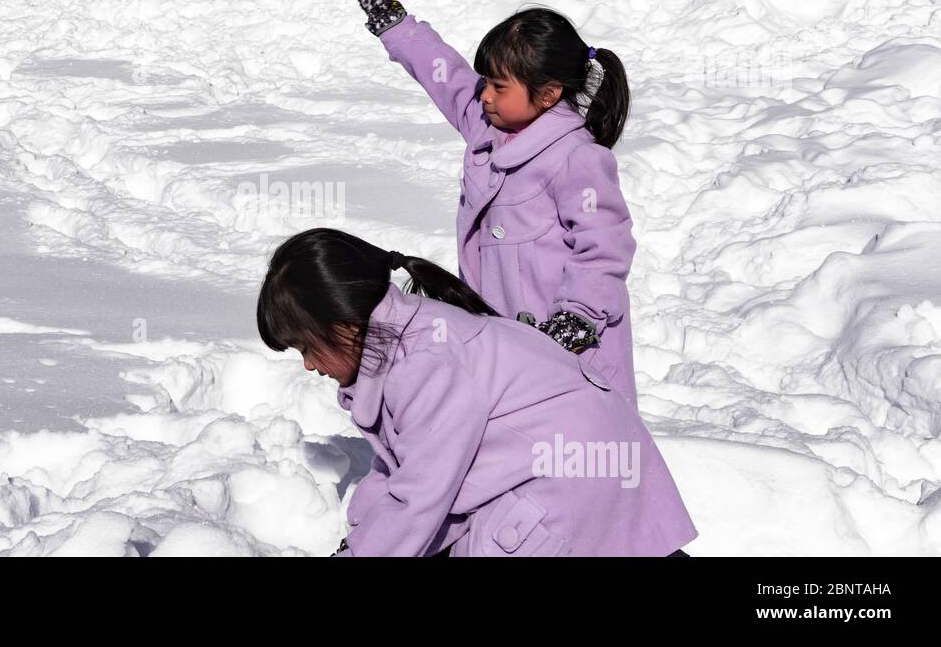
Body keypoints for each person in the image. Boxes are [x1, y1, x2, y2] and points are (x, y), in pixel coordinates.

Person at [256, 228, 697, 557]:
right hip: (577, 474)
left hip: (572, 487)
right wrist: (358, 542)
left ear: (346, 325)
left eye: (308, 347)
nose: (309, 365)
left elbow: (420, 497)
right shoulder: (405, 339)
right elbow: (401, 471)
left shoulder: (426, 363)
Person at [335, 0, 641, 405]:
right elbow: (443, 72)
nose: (485, 96)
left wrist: (572, 324)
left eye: (499, 86)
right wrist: (390, 19)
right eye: (486, 84)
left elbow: (605, 248)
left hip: (573, 355)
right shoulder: (486, 123)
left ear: (548, 94)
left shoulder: (576, 158)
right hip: (502, 347)